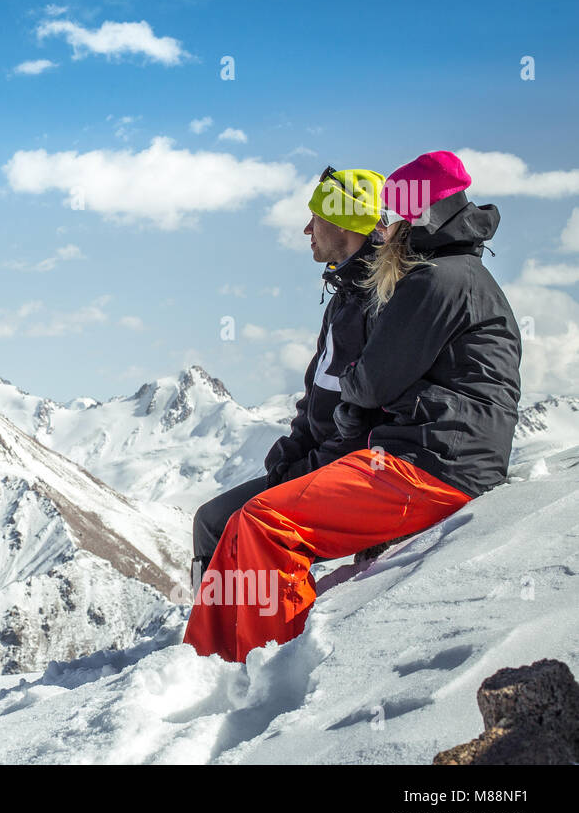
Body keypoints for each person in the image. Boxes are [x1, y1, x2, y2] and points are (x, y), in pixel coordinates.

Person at [184, 150, 522, 663]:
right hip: (427, 454)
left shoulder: (438, 280)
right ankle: (214, 660)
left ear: (419, 214)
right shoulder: (442, 276)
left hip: (434, 464)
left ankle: (271, 660)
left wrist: (335, 433)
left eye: (398, 213)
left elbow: (368, 384)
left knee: (264, 522)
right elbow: (354, 389)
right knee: (235, 521)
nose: (388, 225)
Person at [190, 166, 387, 595]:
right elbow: (318, 394)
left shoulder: (378, 302)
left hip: (345, 471)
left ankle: (222, 638)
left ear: (341, 223)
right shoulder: (344, 299)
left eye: (314, 219)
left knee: (219, 524)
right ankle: (215, 627)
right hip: (317, 463)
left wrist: (304, 468)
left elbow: (368, 415)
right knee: (212, 521)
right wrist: (294, 448)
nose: (306, 230)